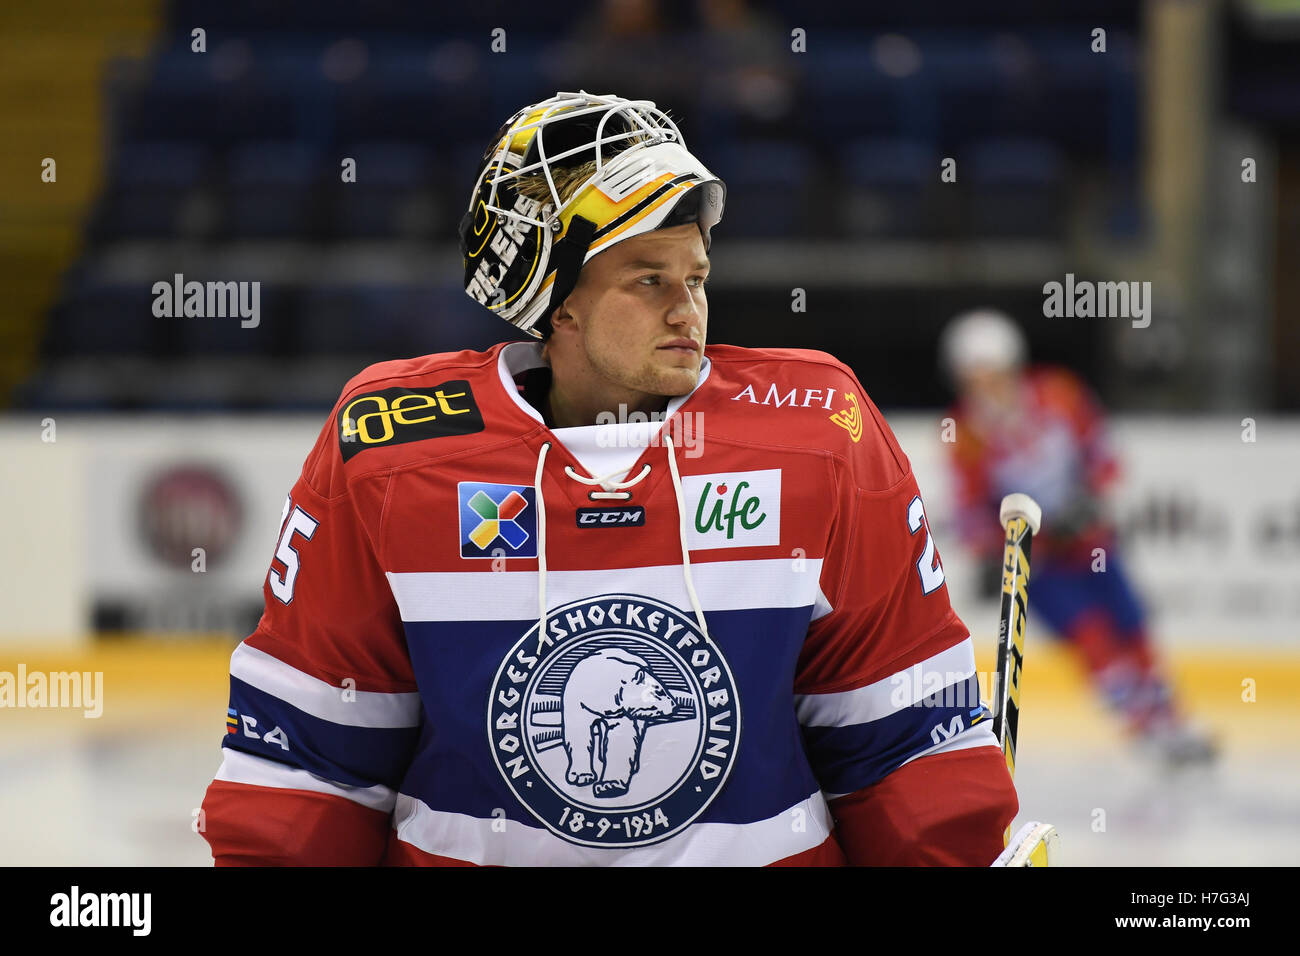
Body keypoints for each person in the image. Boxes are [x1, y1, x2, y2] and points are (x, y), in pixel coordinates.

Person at [200, 92, 1017, 866]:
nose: (686, 309)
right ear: (556, 302)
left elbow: (904, 735)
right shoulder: (393, 448)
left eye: (695, 277)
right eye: (648, 279)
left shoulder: (817, 428)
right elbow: (309, 767)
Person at [938, 308, 1216, 767]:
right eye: (974, 378)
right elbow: (969, 508)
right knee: (1092, 639)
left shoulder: (1058, 393)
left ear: (1013, 365)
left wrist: (1088, 499)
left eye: (993, 374)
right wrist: (988, 550)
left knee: (1133, 627)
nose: (985, 387)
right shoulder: (963, 431)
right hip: (1041, 562)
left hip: (1091, 541)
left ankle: (1172, 719)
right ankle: (1145, 727)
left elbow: (1103, 452)